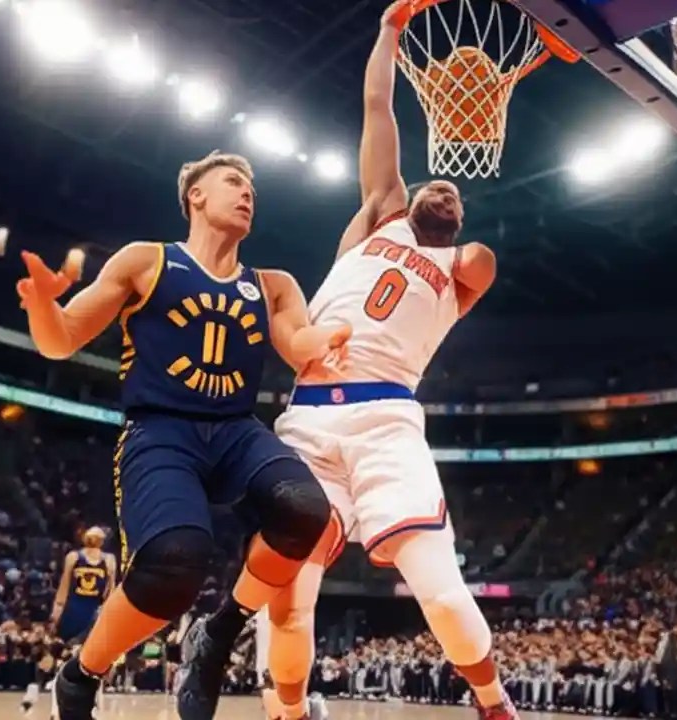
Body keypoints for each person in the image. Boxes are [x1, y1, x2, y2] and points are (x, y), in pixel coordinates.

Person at [18, 151, 347, 720]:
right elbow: (62, 339)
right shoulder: (147, 262)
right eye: (233, 182)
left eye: (251, 187)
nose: (247, 194)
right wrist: (44, 304)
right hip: (161, 430)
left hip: (237, 432)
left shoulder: (271, 285)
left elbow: (296, 344)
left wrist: (325, 340)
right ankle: (79, 677)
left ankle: (218, 632)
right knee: (175, 562)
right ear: (195, 195)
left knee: (305, 511)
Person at [259, 1, 505, 718]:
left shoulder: (466, 269)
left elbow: (481, 259)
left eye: (454, 195)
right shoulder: (376, 213)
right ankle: (288, 708)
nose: (443, 188)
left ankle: (494, 702)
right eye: (437, 185)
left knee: (439, 586)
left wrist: (449, 236)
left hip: (387, 420)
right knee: (289, 599)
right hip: (307, 420)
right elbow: (377, 104)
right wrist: (390, 29)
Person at [21, 527, 115, 715]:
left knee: (79, 659)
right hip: (74, 609)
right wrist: (56, 613)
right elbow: (65, 586)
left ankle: (76, 704)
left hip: (90, 612)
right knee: (57, 653)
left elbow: (109, 592)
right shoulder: (74, 557)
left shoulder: (109, 560)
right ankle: (36, 692)